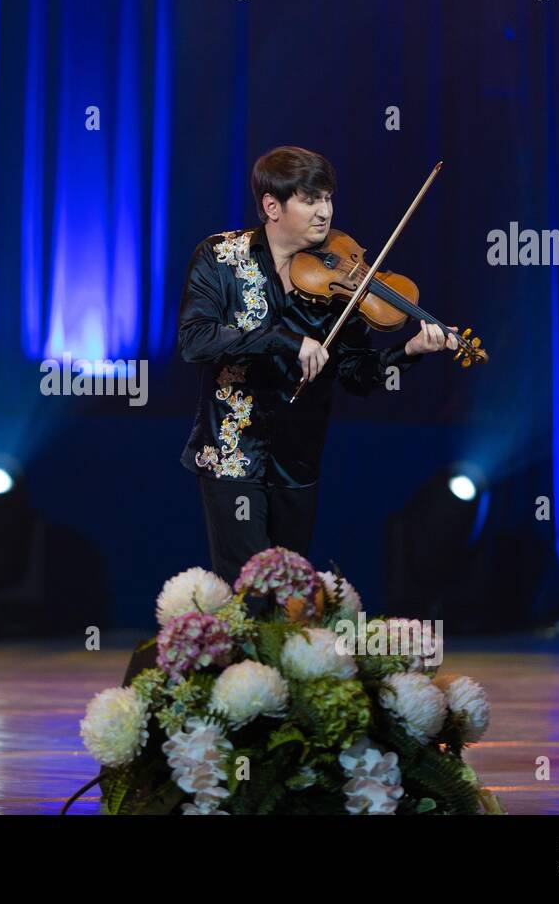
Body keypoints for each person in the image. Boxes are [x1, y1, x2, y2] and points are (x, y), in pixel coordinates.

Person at [120, 145, 458, 683]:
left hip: (299, 456)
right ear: (272, 207)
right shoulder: (219, 257)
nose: (325, 212)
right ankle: (244, 705)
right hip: (231, 450)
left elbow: (357, 373)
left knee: (291, 595)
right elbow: (195, 340)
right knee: (253, 590)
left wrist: (409, 353)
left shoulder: (339, 276)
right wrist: (281, 339)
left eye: (328, 198)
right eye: (310, 200)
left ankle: (278, 710)